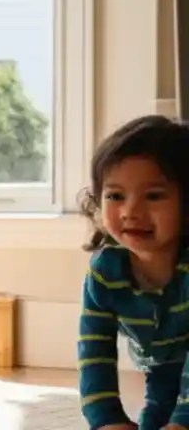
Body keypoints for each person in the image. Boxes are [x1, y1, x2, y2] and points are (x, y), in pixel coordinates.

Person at [76, 115, 189, 430]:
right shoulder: (105, 275)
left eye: (153, 196)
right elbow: (93, 353)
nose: (130, 212)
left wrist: (183, 421)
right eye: (115, 196)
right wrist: (106, 419)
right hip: (162, 381)